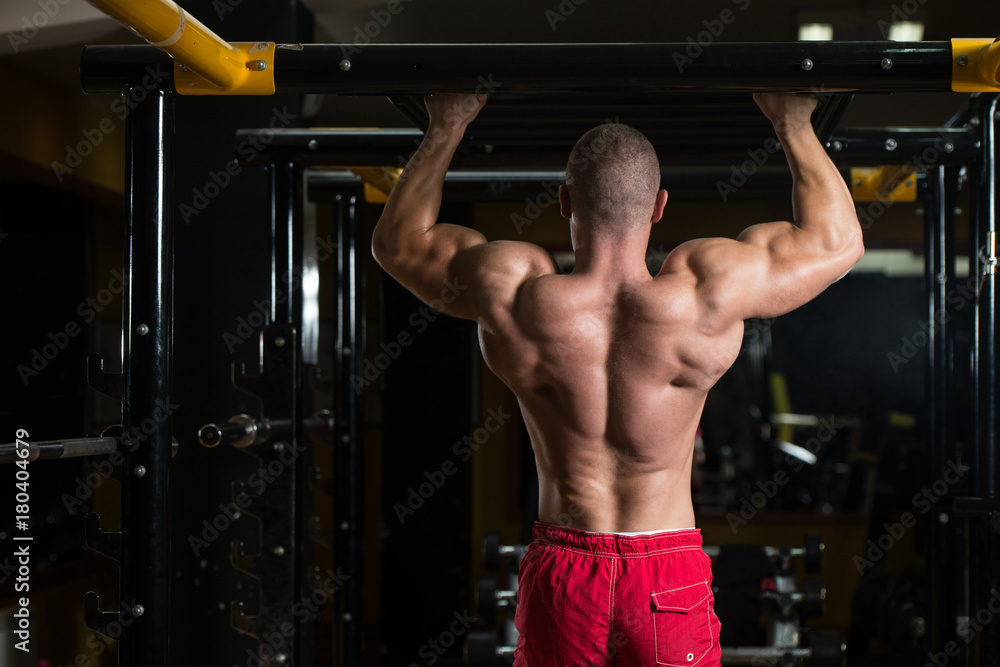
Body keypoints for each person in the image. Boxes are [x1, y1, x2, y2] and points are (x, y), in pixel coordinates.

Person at [371, 92, 864, 667]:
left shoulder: (515, 291)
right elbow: (838, 241)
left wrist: (446, 122)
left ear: (563, 202)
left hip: (564, 568)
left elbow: (399, 243)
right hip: (667, 568)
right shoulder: (706, 291)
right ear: (659, 206)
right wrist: (792, 121)